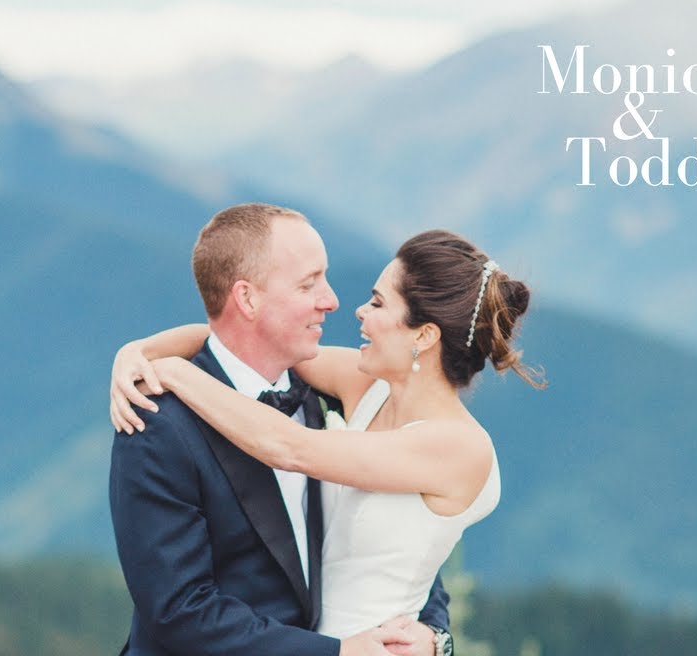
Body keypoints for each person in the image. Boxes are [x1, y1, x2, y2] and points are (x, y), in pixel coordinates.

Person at [111, 207, 545, 654]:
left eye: (377, 303)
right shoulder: (362, 386)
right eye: (308, 283)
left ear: (424, 336)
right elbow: (241, 336)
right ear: (248, 297)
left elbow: (289, 447)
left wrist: (437, 641)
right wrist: (137, 351)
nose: (346, 306)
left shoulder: (457, 447)